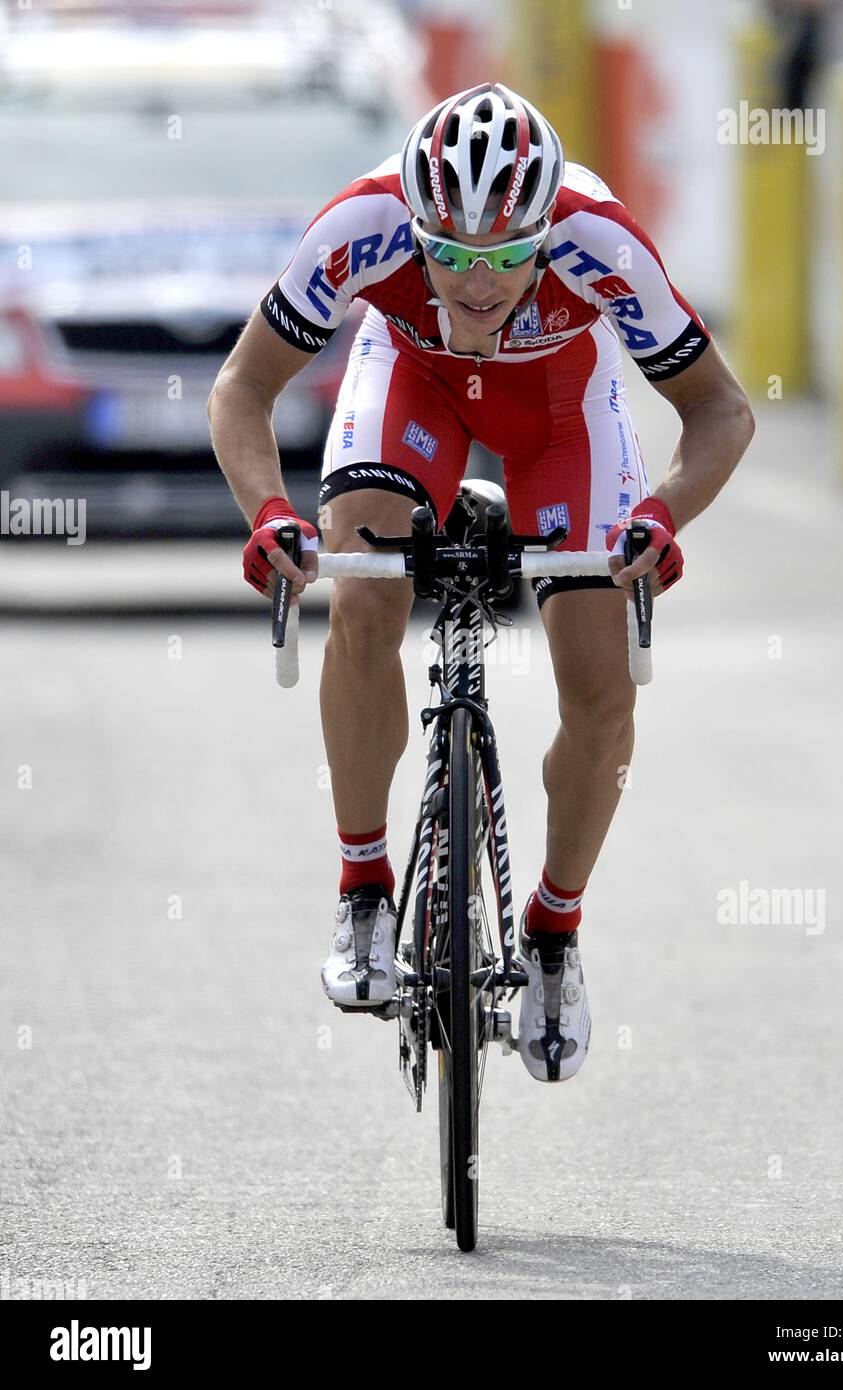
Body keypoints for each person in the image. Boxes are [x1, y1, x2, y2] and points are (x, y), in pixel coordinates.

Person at [208, 83, 755, 1083]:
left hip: (556, 410)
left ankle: (551, 934)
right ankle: (364, 886)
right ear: (412, 223)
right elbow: (242, 386)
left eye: (504, 259)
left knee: (600, 691)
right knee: (365, 593)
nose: (474, 283)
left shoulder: (602, 242)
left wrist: (662, 513)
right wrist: (269, 513)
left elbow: (720, 412)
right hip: (409, 384)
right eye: (449, 254)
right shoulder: (360, 224)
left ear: (544, 231)